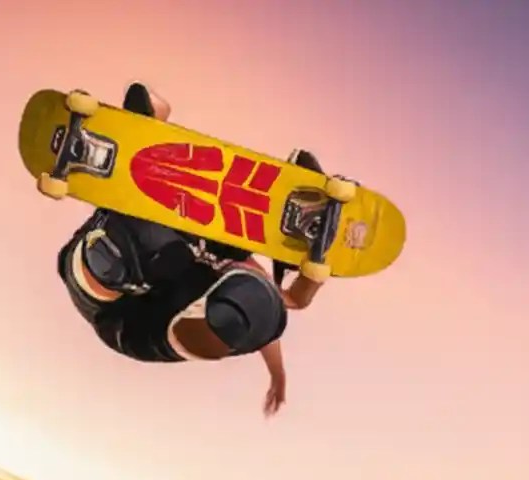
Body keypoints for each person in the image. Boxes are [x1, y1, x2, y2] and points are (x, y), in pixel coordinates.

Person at [57, 83, 327, 417]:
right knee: (152, 246)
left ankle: (304, 224)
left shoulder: (227, 264)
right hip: (126, 274)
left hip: (134, 321)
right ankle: (107, 153)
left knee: (253, 308)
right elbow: (290, 300)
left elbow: (282, 304)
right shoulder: (220, 235)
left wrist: (279, 372)